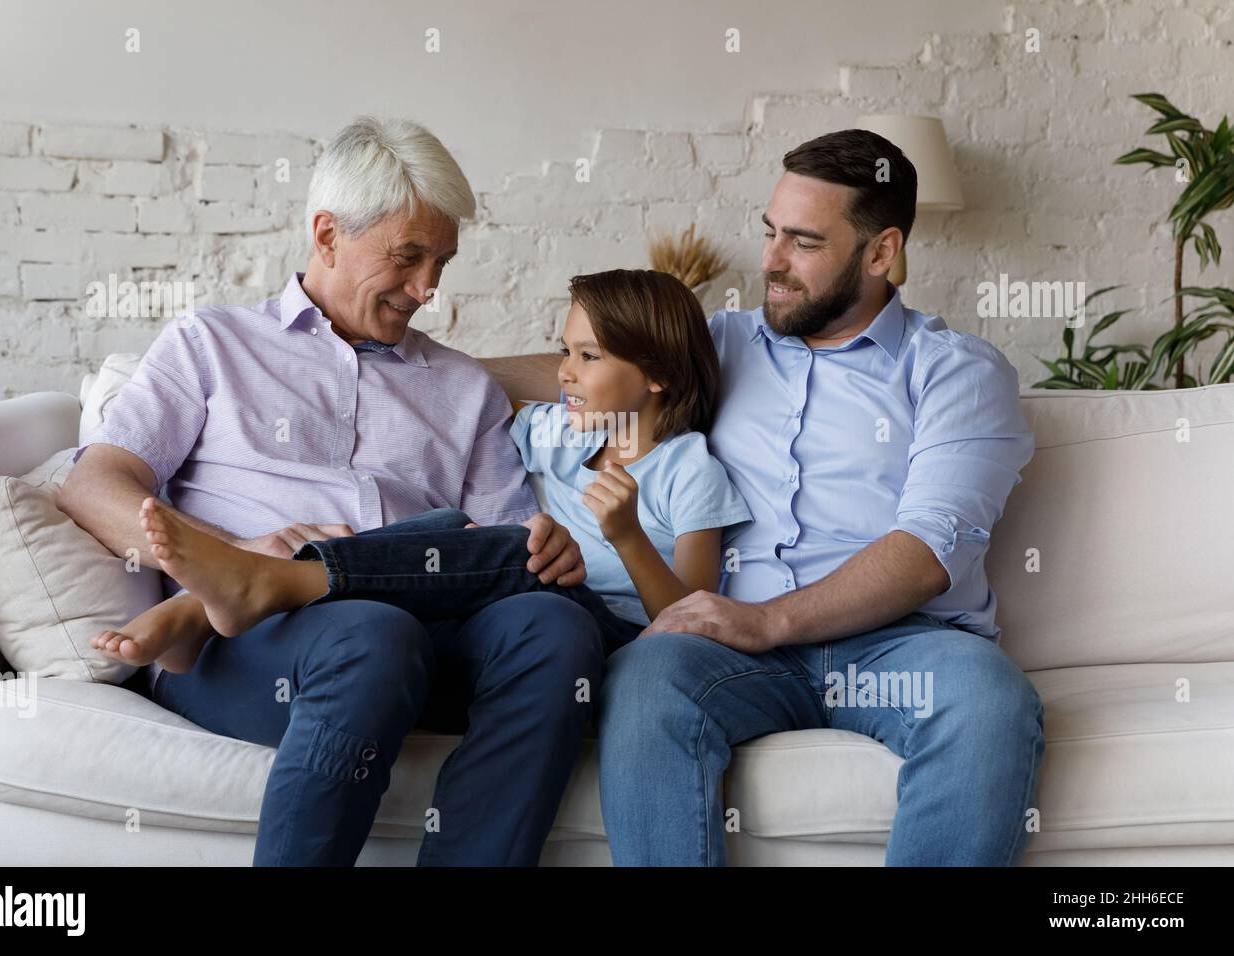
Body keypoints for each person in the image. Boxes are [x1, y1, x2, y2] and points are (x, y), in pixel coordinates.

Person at [480, 129, 1045, 867]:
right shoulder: (721, 344)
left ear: (880, 253)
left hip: (898, 645)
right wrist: (422, 372)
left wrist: (766, 620)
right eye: (770, 233)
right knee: (649, 681)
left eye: (804, 242)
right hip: (732, 657)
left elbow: (930, 547)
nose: (770, 262)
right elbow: (592, 370)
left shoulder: (956, 373)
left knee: (988, 701)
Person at [58, 116, 600, 867]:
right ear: (326, 235)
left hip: (429, 628)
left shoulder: (464, 387)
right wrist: (225, 553)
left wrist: (547, 547)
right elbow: (92, 484)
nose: (428, 289)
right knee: (373, 634)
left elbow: (504, 550)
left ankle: (288, 580)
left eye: (441, 263)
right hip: (252, 649)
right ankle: (248, 584)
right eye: (408, 258)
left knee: (553, 624)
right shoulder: (211, 344)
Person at [93, 268, 752, 671]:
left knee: (503, 545)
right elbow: (464, 388)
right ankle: (224, 601)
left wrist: (628, 534)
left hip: (607, 637)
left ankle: (260, 587)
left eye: (588, 357)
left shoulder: (690, 471)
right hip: (535, 601)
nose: (564, 374)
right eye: (564, 351)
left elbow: (691, 618)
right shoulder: (554, 430)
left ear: (659, 375)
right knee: (444, 525)